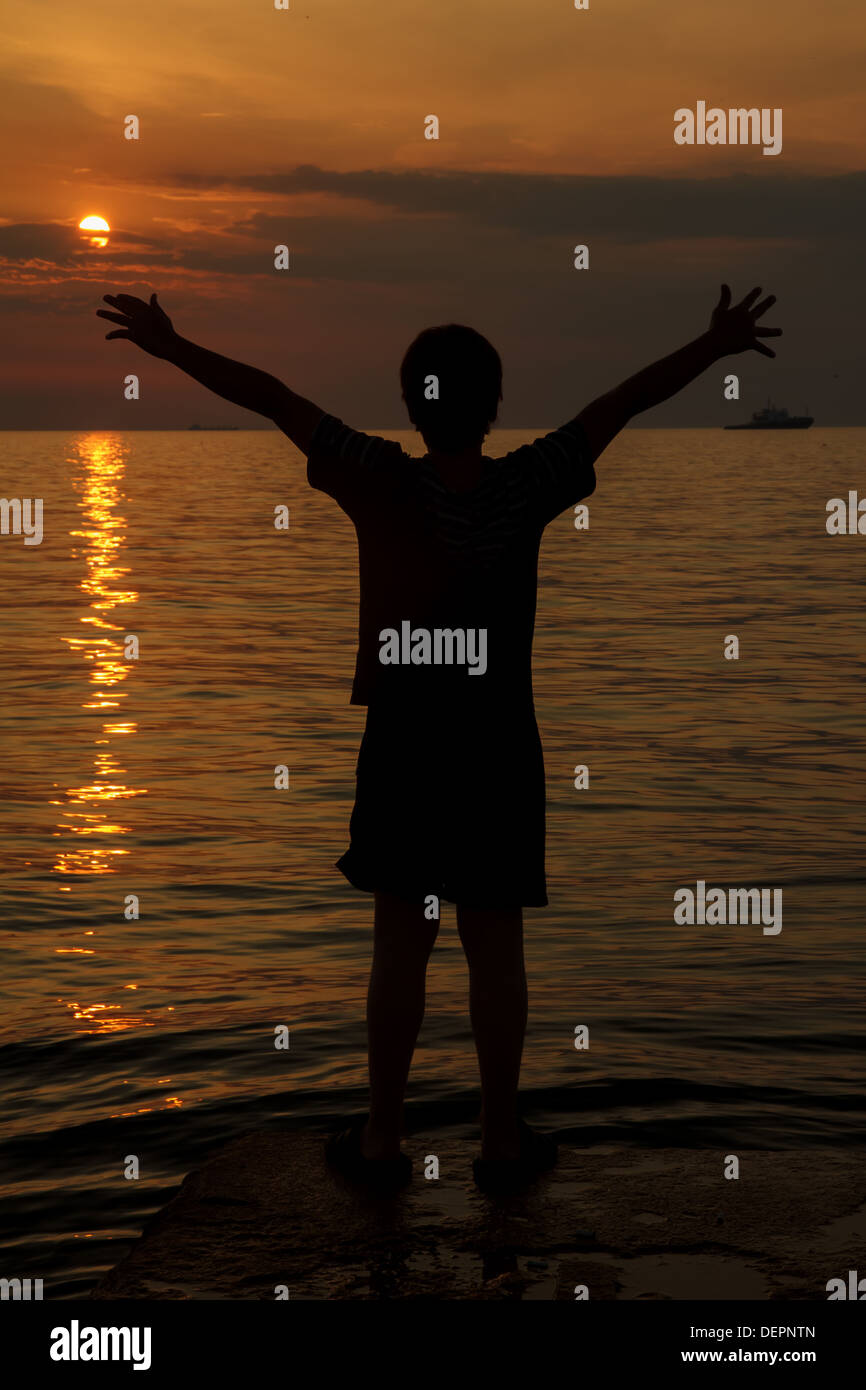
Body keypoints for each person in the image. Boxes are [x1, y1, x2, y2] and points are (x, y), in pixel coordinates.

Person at [96, 284, 781, 1192]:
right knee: (495, 948)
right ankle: (500, 1144)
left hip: (406, 746)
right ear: (492, 406)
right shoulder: (528, 482)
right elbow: (619, 402)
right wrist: (713, 345)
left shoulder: (377, 476)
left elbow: (272, 398)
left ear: (414, 404)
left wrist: (171, 347)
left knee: (400, 943)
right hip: (498, 746)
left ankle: (383, 1142)